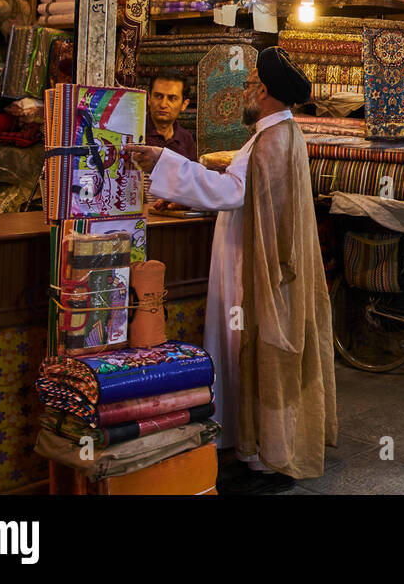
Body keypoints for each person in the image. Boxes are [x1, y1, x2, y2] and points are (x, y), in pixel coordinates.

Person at [124, 48, 337, 491]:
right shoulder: (277, 134)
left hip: (253, 266)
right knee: (246, 355)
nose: (242, 91)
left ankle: (266, 461)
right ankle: (253, 451)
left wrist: (162, 163)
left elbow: (230, 192)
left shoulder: (272, 139)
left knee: (254, 355)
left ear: (262, 91)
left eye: (247, 84)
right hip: (253, 259)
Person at [145, 71, 197, 161]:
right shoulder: (135, 134)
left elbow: (192, 174)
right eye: (158, 96)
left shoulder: (186, 139)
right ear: (149, 99)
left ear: (184, 104)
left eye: (172, 98)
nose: (163, 104)